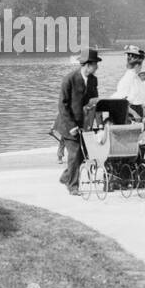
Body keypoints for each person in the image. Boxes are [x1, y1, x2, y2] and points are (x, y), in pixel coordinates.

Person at [54, 48, 101, 194]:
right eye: (95, 64)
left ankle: (66, 176)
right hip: (68, 123)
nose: (97, 67)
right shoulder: (69, 79)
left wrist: (98, 123)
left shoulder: (93, 80)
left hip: (83, 123)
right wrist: (72, 126)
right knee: (74, 154)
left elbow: (94, 102)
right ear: (87, 65)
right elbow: (62, 105)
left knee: (82, 155)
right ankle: (73, 186)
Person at [113, 44, 145, 120]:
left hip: (137, 110)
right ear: (137, 65)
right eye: (141, 64)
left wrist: (143, 111)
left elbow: (139, 97)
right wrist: (134, 114)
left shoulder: (136, 78)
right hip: (130, 114)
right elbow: (121, 102)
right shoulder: (128, 78)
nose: (141, 67)